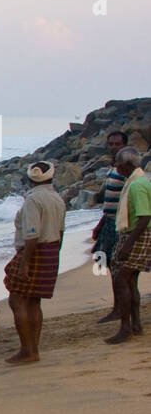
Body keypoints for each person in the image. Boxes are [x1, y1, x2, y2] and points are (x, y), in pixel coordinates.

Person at [4, 162, 67, 364]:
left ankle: (27, 350)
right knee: (33, 301)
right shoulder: (57, 198)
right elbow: (61, 231)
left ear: (30, 180)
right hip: (51, 249)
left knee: (16, 299)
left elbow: (32, 235)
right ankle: (33, 348)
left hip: (34, 250)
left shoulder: (33, 199)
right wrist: (56, 252)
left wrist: (25, 264)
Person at [106, 148, 150, 344]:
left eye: (118, 162)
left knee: (122, 280)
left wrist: (128, 245)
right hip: (136, 234)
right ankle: (135, 325)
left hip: (137, 235)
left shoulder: (137, 185)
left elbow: (144, 216)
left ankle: (126, 328)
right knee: (130, 281)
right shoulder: (137, 181)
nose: (116, 166)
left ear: (127, 164)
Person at [93, 131, 130, 322]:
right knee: (106, 262)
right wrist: (100, 224)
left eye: (118, 144)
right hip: (108, 221)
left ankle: (121, 309)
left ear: (125, 145)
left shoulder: (126, 171)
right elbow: (109, 200)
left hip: (120, 223)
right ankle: (118, 306)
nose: (114, 147)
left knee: (118, 266)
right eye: (111, 144)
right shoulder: (114, 168)